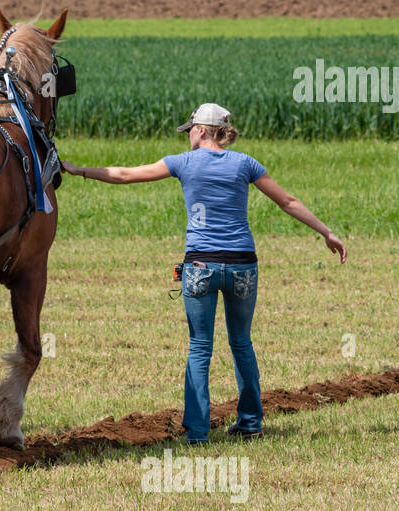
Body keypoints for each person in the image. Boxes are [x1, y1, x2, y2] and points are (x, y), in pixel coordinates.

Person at [62, 104, 346, 444]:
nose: (188, 137)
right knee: (241, 343)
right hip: (242, 264)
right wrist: (326, 232)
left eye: (190, 131)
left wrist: (78, 170)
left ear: (201, 130)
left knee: (200, 347)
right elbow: (287, 201)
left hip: (200, 267)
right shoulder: (245, 163)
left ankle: (197, 432)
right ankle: (250, 423)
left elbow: (124, 175)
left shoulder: (182, 163)